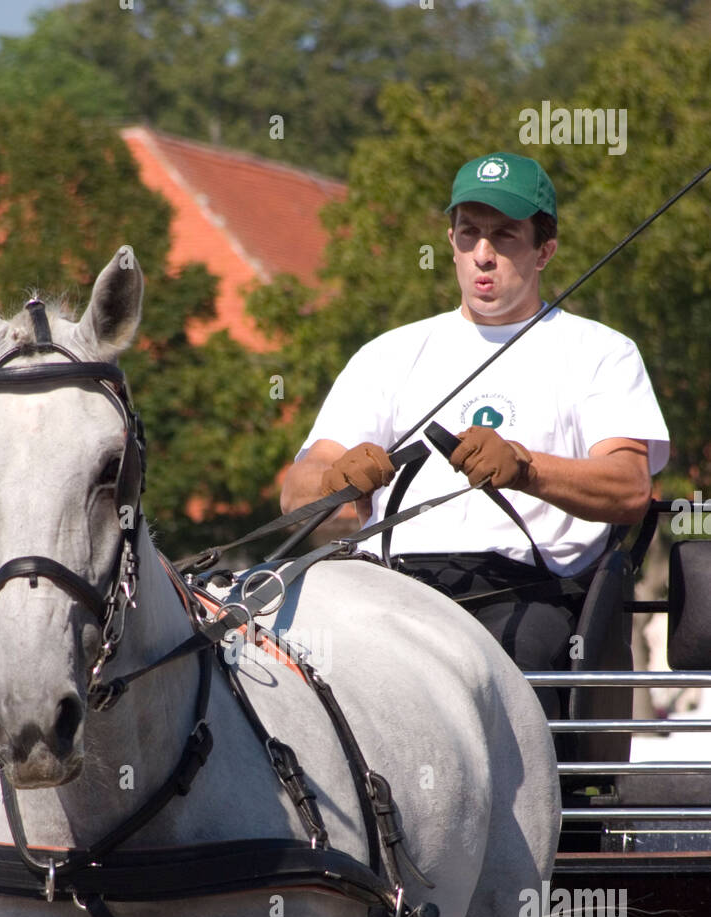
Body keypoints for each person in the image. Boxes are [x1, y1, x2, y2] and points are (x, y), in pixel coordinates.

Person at [280, 152, 669, 712]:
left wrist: (525, 467)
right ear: (452, 241)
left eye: (505, 235)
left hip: (525, 595)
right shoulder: (388, 354)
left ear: (544, 251)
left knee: (495, 685)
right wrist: (335, 480)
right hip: (393, 588)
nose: (483, 254)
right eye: (469, 234)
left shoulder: (600, 353)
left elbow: (630, 489)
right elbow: (296, 493)